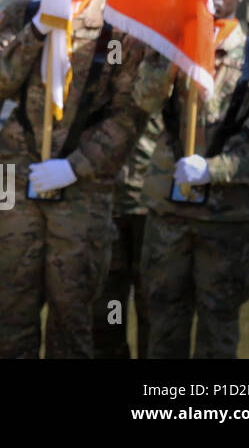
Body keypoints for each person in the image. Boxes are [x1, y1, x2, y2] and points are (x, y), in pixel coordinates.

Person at [0, 0, 170, 357]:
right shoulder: (23, 14)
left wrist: (74, 167)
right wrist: (37, 32)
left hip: (81, 193)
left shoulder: (119, 28)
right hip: (17, 186)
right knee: (12, 320)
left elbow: (129, 114)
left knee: (72, 322)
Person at [140, 0, 249, 358]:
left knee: (218, 331)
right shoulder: (173, 46)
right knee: (163, 326)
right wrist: (176, 54)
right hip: (169, 213)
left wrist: (215, 169)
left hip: (225, 220)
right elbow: (144, 99)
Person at [92, 109, 161, 357]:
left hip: (151, 206)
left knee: (151, 303)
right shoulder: (112, 72)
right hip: (110, 204)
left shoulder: (162, 72)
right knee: (110, 300)